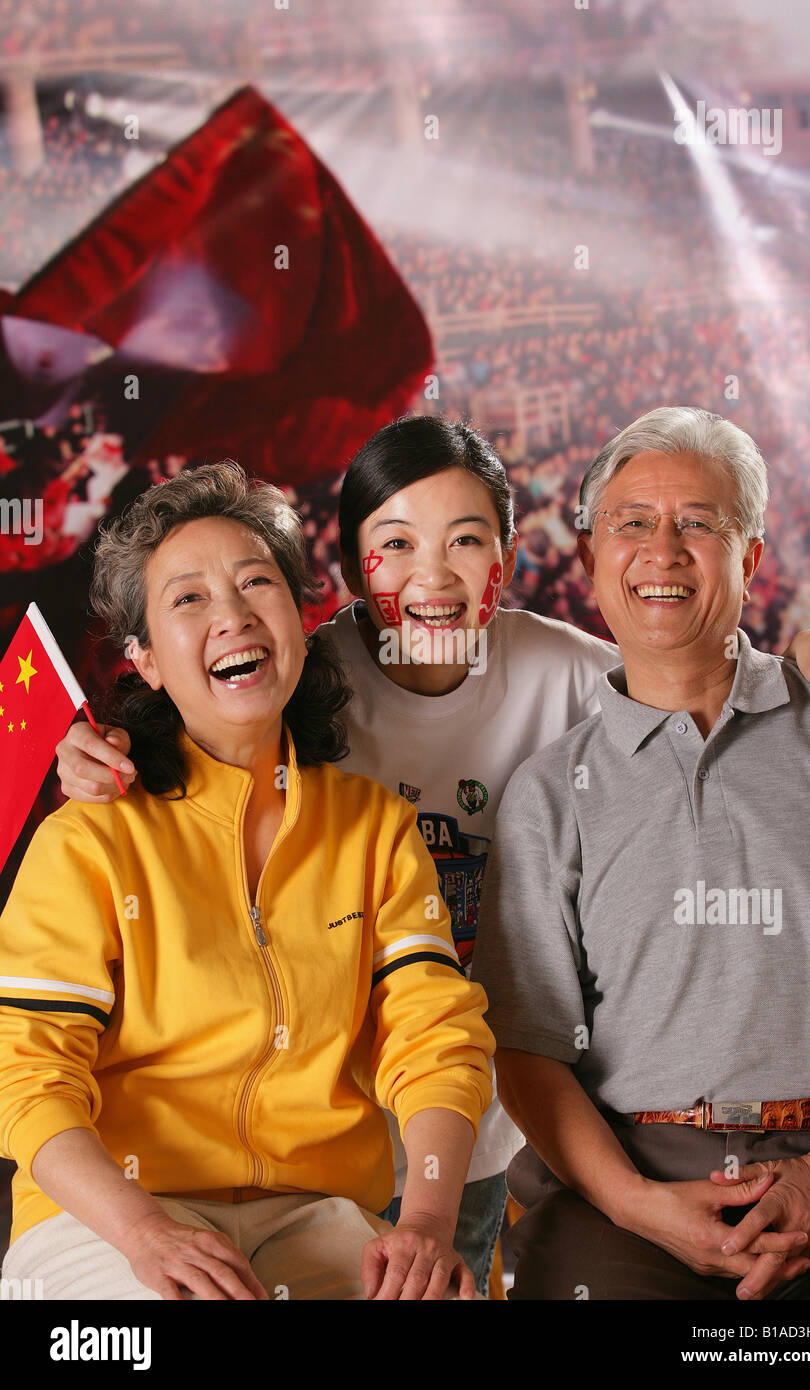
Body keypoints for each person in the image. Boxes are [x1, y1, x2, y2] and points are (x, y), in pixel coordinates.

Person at [51, 414, 810, 1294]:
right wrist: (97, 749)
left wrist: (805, 663)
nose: (431, 577)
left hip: (468, 1097)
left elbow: (683, 652)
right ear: (351, 565)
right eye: (394, 543)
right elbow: (202, 698)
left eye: (466, 540)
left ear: (505, 559)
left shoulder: (565, 671)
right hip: (332, 1102)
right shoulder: (292, 672)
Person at [0, 461, 494, 1301]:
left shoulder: (376, 829)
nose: (231, 613)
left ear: (300, 623)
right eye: (187, 597)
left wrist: (424, 1227)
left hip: (322, 1214)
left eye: (256, 581)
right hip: (107, 1220)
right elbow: (29, 1075)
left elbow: (435, 1039)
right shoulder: (89, 836)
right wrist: (146, 1236)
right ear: (146, 659)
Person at [471, 405, 810, 1300]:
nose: (663, 549)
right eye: (632, 523)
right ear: (590, 562)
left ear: (752, 560)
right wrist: (641, 1204)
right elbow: (529, 1053)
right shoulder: (545, 793)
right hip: (635, 1185)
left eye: (700, 524)